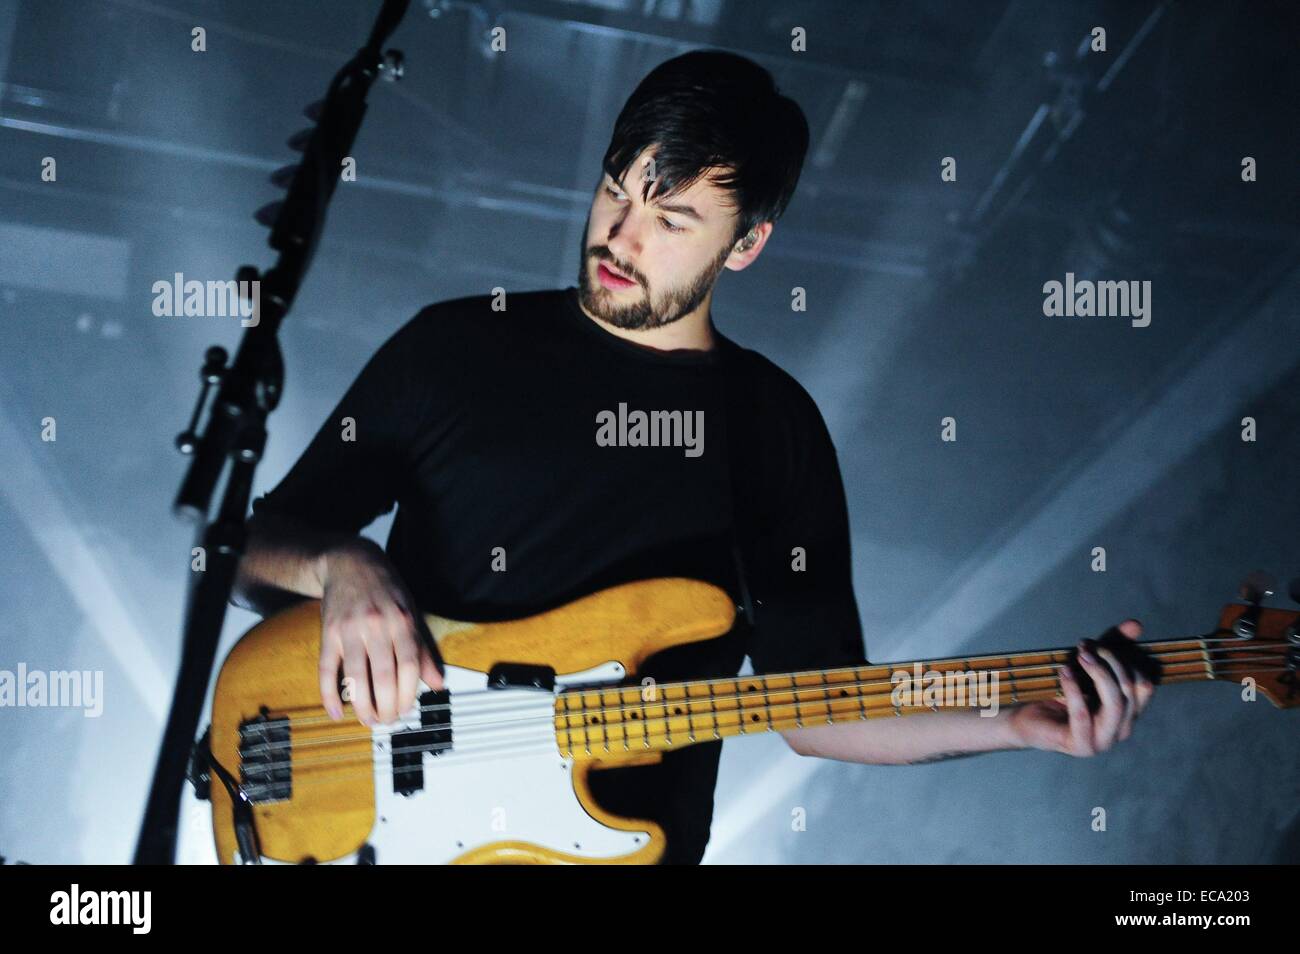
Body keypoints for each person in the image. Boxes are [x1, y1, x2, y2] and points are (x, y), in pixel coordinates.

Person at [232, 49, 1155, 864]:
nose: (621, 239)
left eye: (672, 220)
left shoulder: (773, 428)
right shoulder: (454, 348)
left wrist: (1014, 724)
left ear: (746, 244)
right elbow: (241, 551)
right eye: (615, 192)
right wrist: (340, 563)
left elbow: (817, 708)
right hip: (389, 823)